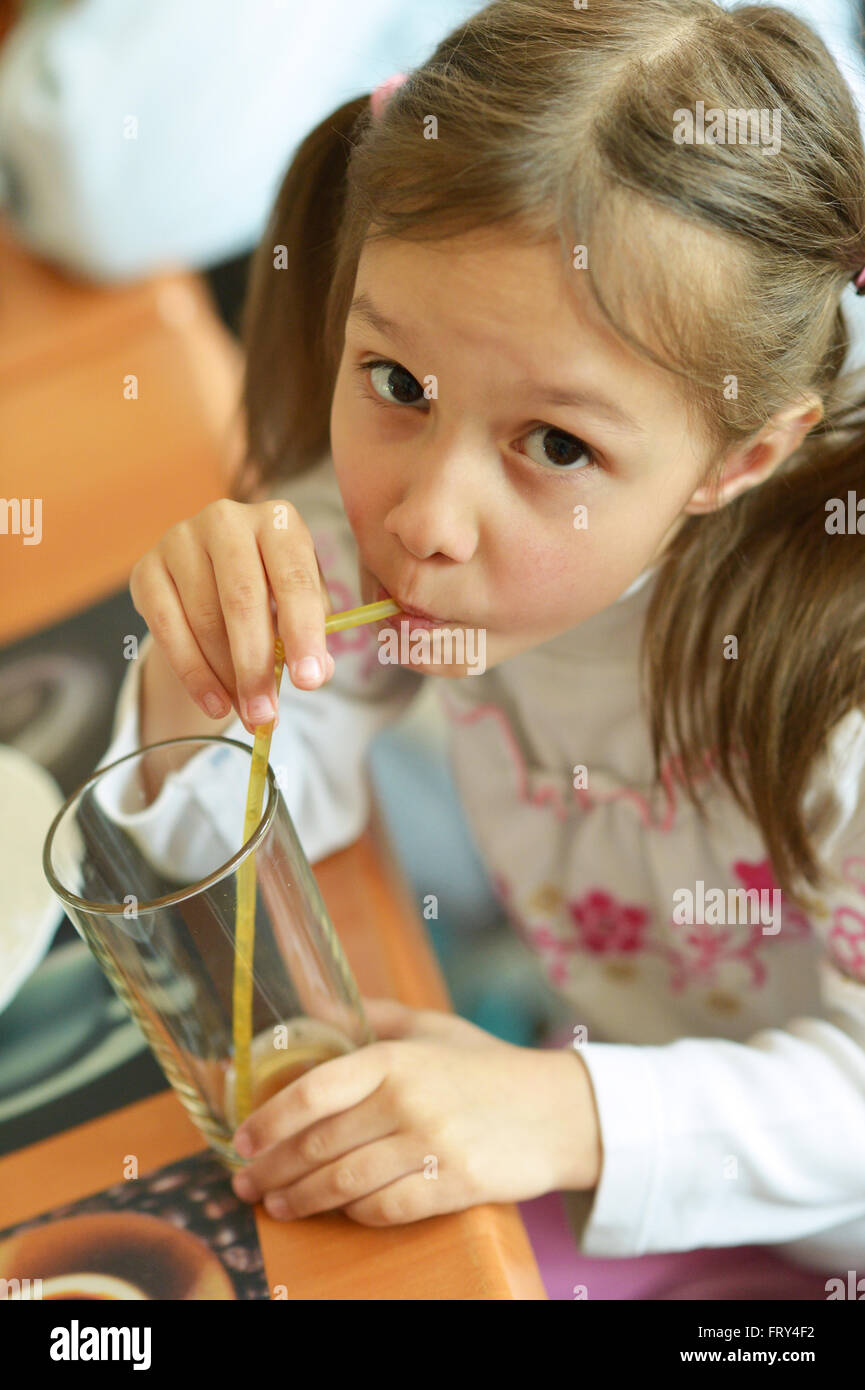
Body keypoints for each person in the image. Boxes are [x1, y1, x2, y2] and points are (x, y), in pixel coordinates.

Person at [96, 0, 865, 1297]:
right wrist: (196, 675)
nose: (425, 518)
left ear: (741, 459)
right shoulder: (394, 525)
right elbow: (252, 830)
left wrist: (561, 1110)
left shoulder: (836, 695)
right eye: (394, 380)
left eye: (555, 446)